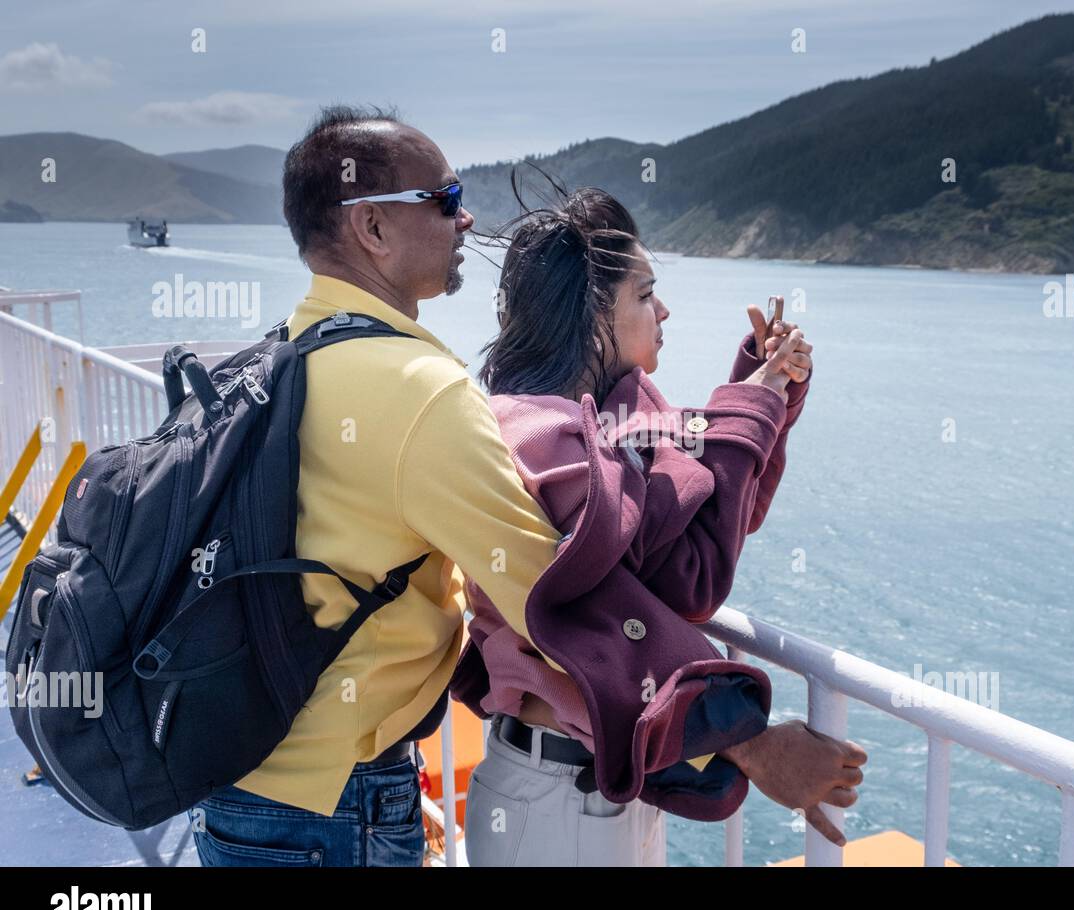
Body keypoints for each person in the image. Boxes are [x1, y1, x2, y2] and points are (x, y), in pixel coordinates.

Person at [187, 105, 563, 866]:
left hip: (232, 779)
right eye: (448, 199)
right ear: (374, 229)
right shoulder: (421, 389)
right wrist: (735, 737)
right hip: (330, 808)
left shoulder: (274, 359)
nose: (467, 220)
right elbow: (550, 597)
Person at [453, 184, 867, 866]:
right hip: (560, 800)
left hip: (585, 790)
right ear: (593, 319)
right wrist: (750, 405)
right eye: (645, 294)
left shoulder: (588, 418)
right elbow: (690, 577)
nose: (665, 308)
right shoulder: (542, 437)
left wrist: (762, 391)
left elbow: (705, 519)